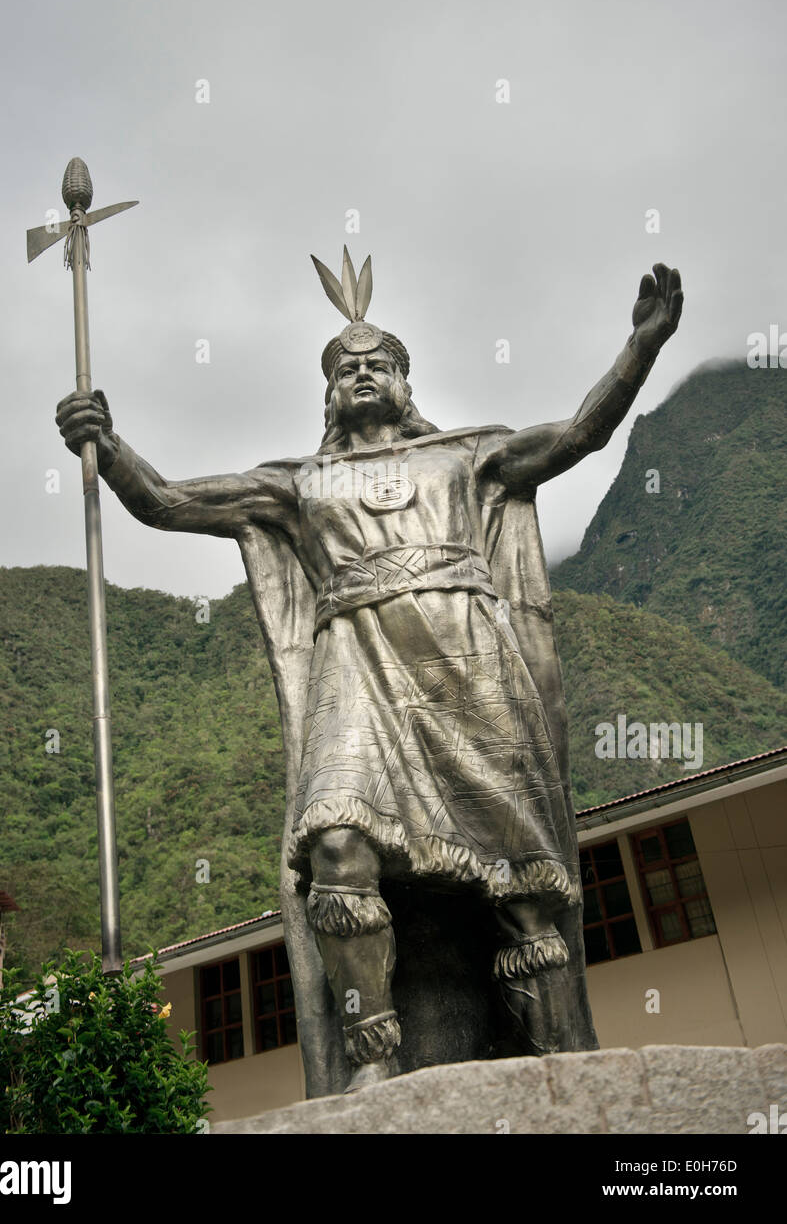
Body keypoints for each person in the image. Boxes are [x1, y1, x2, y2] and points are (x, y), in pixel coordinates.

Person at [56, 253, 683, 1094]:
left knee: (521, 881)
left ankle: (553, 1059)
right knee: (338, 845)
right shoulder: (297, 484)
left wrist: (639, 347)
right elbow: (168, 502)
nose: (360, 375)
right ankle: (373, 1057)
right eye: (344, 368)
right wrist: (106, 441)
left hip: (470, 670)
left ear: (402, 380)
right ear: (328, 393)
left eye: (376, 363)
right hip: (356, 670)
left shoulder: (469, 454)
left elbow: (578, 435)